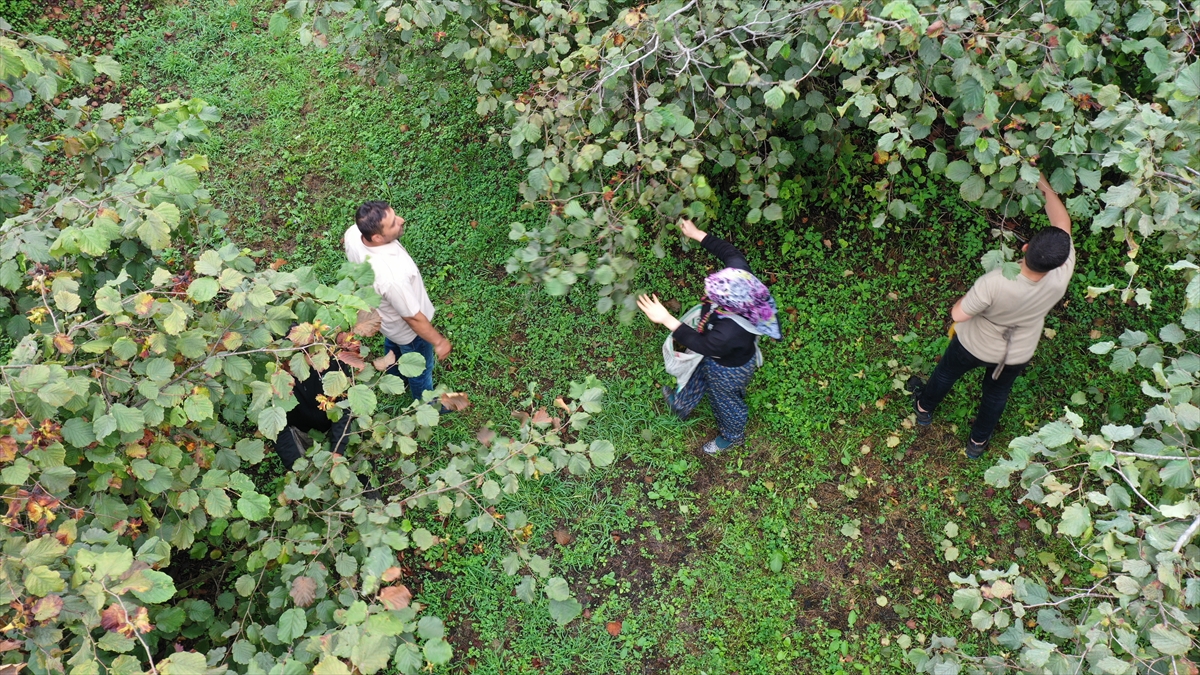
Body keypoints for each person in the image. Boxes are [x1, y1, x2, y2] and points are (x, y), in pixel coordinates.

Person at [909, 175, 1074, 458]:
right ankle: (977, 443)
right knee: (996, 394)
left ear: (1025, 248)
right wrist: (1042, 182)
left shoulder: (997, 280)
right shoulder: (1060, 274)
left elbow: (958, 313)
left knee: (946, 372)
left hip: (975, 343)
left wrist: (965, 299)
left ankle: (924, 409)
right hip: (1017, 351)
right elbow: (1063, 225)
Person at [637, 218, 781, 454]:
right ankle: (682, 405)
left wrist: (665, 319)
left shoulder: (728, 333)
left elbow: (700, 344)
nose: (707, 293)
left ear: (730, 305)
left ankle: (732, 435)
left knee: (725, 400)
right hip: (720, 355)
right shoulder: (741, 276)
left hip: (730, 370)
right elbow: (728, 251)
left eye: (714, 295)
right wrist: (697, 234)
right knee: (701, 370)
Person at [344, 201, 451, 404]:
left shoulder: (354, 234)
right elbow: (413, 318)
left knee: (393, 344)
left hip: (387, 321)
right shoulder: (391, 276)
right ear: (376, 237)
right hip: (410, 333)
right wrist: (439, 341)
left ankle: (394, 377)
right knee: (420, 369)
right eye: (393, 223)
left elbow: (346, 240)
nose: (401, 221)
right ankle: (426, 403)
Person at [274, 360, 353, 471]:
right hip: (300, 432)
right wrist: (295, 467)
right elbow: (277, 427)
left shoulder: (331, 361)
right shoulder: (273, 379)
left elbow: (344, 404)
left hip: (335, 424)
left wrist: (337, 449)